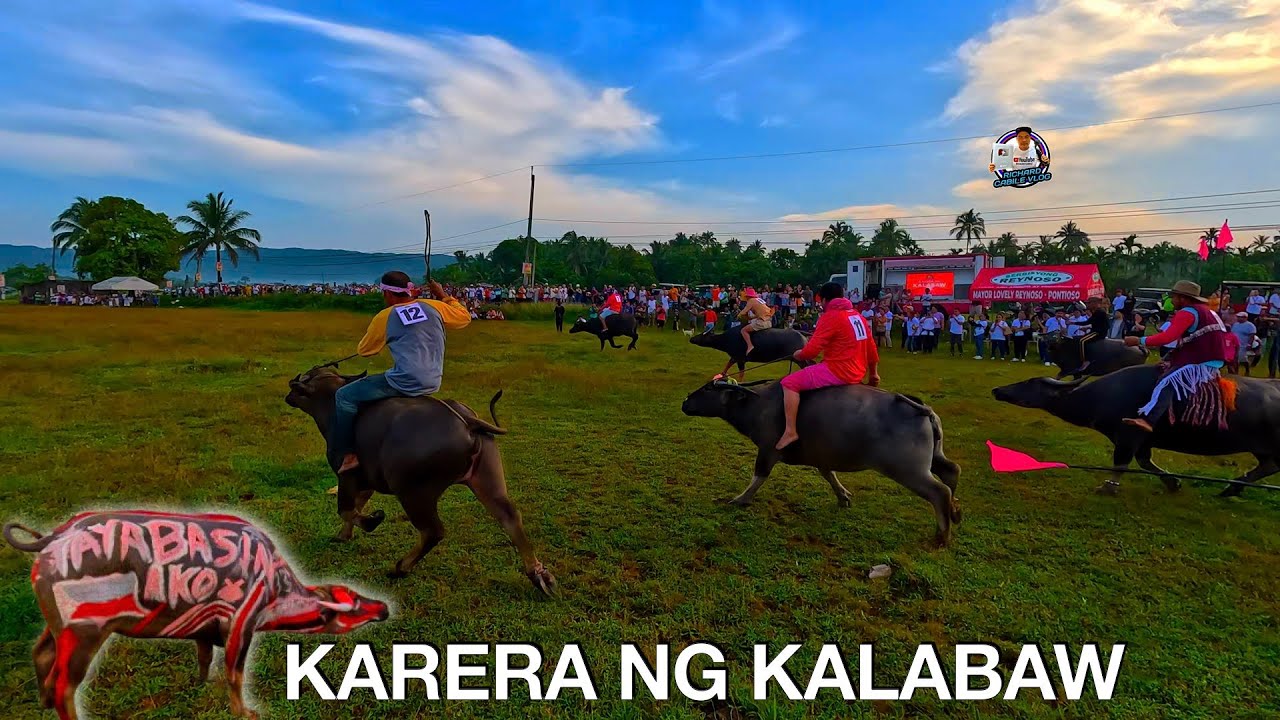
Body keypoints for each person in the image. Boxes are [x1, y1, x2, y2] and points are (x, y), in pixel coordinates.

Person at [328, 272, 471, 477]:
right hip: (433, 380)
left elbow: (365, 350)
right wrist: (443, 295)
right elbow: (464, 317)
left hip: (404, 380)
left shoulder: (385, 316)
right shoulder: (435, 306)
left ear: (387, 294)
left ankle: (349, 454)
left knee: (344, 396)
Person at [775, 282, 880, 450]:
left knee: (789, 383)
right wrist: (873, 374)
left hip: (838, 371)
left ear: (824, 299)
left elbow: (811, 352)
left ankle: (790, 431)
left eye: (821, 301)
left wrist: (798, 354)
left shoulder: (831, 316)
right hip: (858, 371)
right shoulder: (856, 315)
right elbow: (871, 347)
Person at [1122, 281, 1230, 432]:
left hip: (1200, 361)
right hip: (1209, 359)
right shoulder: (1207, 311)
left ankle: (1149, 420)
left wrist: (1139, 340)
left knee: (1166, 381)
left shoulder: (1187, 312)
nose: (1171, 300)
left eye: (1174, 297)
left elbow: (1167, 338)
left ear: (1183, 298)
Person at [1066, 297, 1109, 373]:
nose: (1087, 304)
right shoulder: (1096, 311)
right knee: (1078, 339)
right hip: (1095, 331)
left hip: (1099, 333)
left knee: (1082, 341)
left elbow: (1088, 322)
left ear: (1094, 303)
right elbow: (1091, 322)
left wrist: (1073, 323)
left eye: (1089, 303)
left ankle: (1086, 360)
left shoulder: (1100, 312)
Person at [738, 288, 774, 355]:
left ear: (748, 296)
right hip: (768, 321)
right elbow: (762, 312)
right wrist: (751, 318)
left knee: (743, 330)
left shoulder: (751, 301)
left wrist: (738, 315)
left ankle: (750, 346)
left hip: (762, 322)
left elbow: (744, 312)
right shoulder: (759, 300)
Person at [1230, 311, 1257, 375]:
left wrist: (1249, 344)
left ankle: (1247, 369)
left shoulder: (1250, 325)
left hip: (1243, 345)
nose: (1238, 318)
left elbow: (1252, 335)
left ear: (1245, 318)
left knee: (1242, 359)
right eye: (1238, 317)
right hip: (1234, 344)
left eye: (1240, 317)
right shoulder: (1235, 324)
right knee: (1235, 358)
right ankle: (1235, 371)